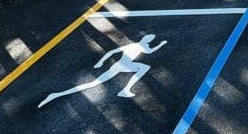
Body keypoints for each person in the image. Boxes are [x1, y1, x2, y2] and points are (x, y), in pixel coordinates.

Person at [38, 34, 167, 108]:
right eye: (149, 39)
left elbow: (114, 51)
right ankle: (55, 95)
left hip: (123, 64)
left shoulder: (136, 45)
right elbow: (113, 51)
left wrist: (101, 62)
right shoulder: (138, 46)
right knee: (93, 84)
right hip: (121, 65)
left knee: (144, 67)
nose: (149, 41)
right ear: (145, 40)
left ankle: (125, 90)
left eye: (150, 40)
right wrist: (100, 62)